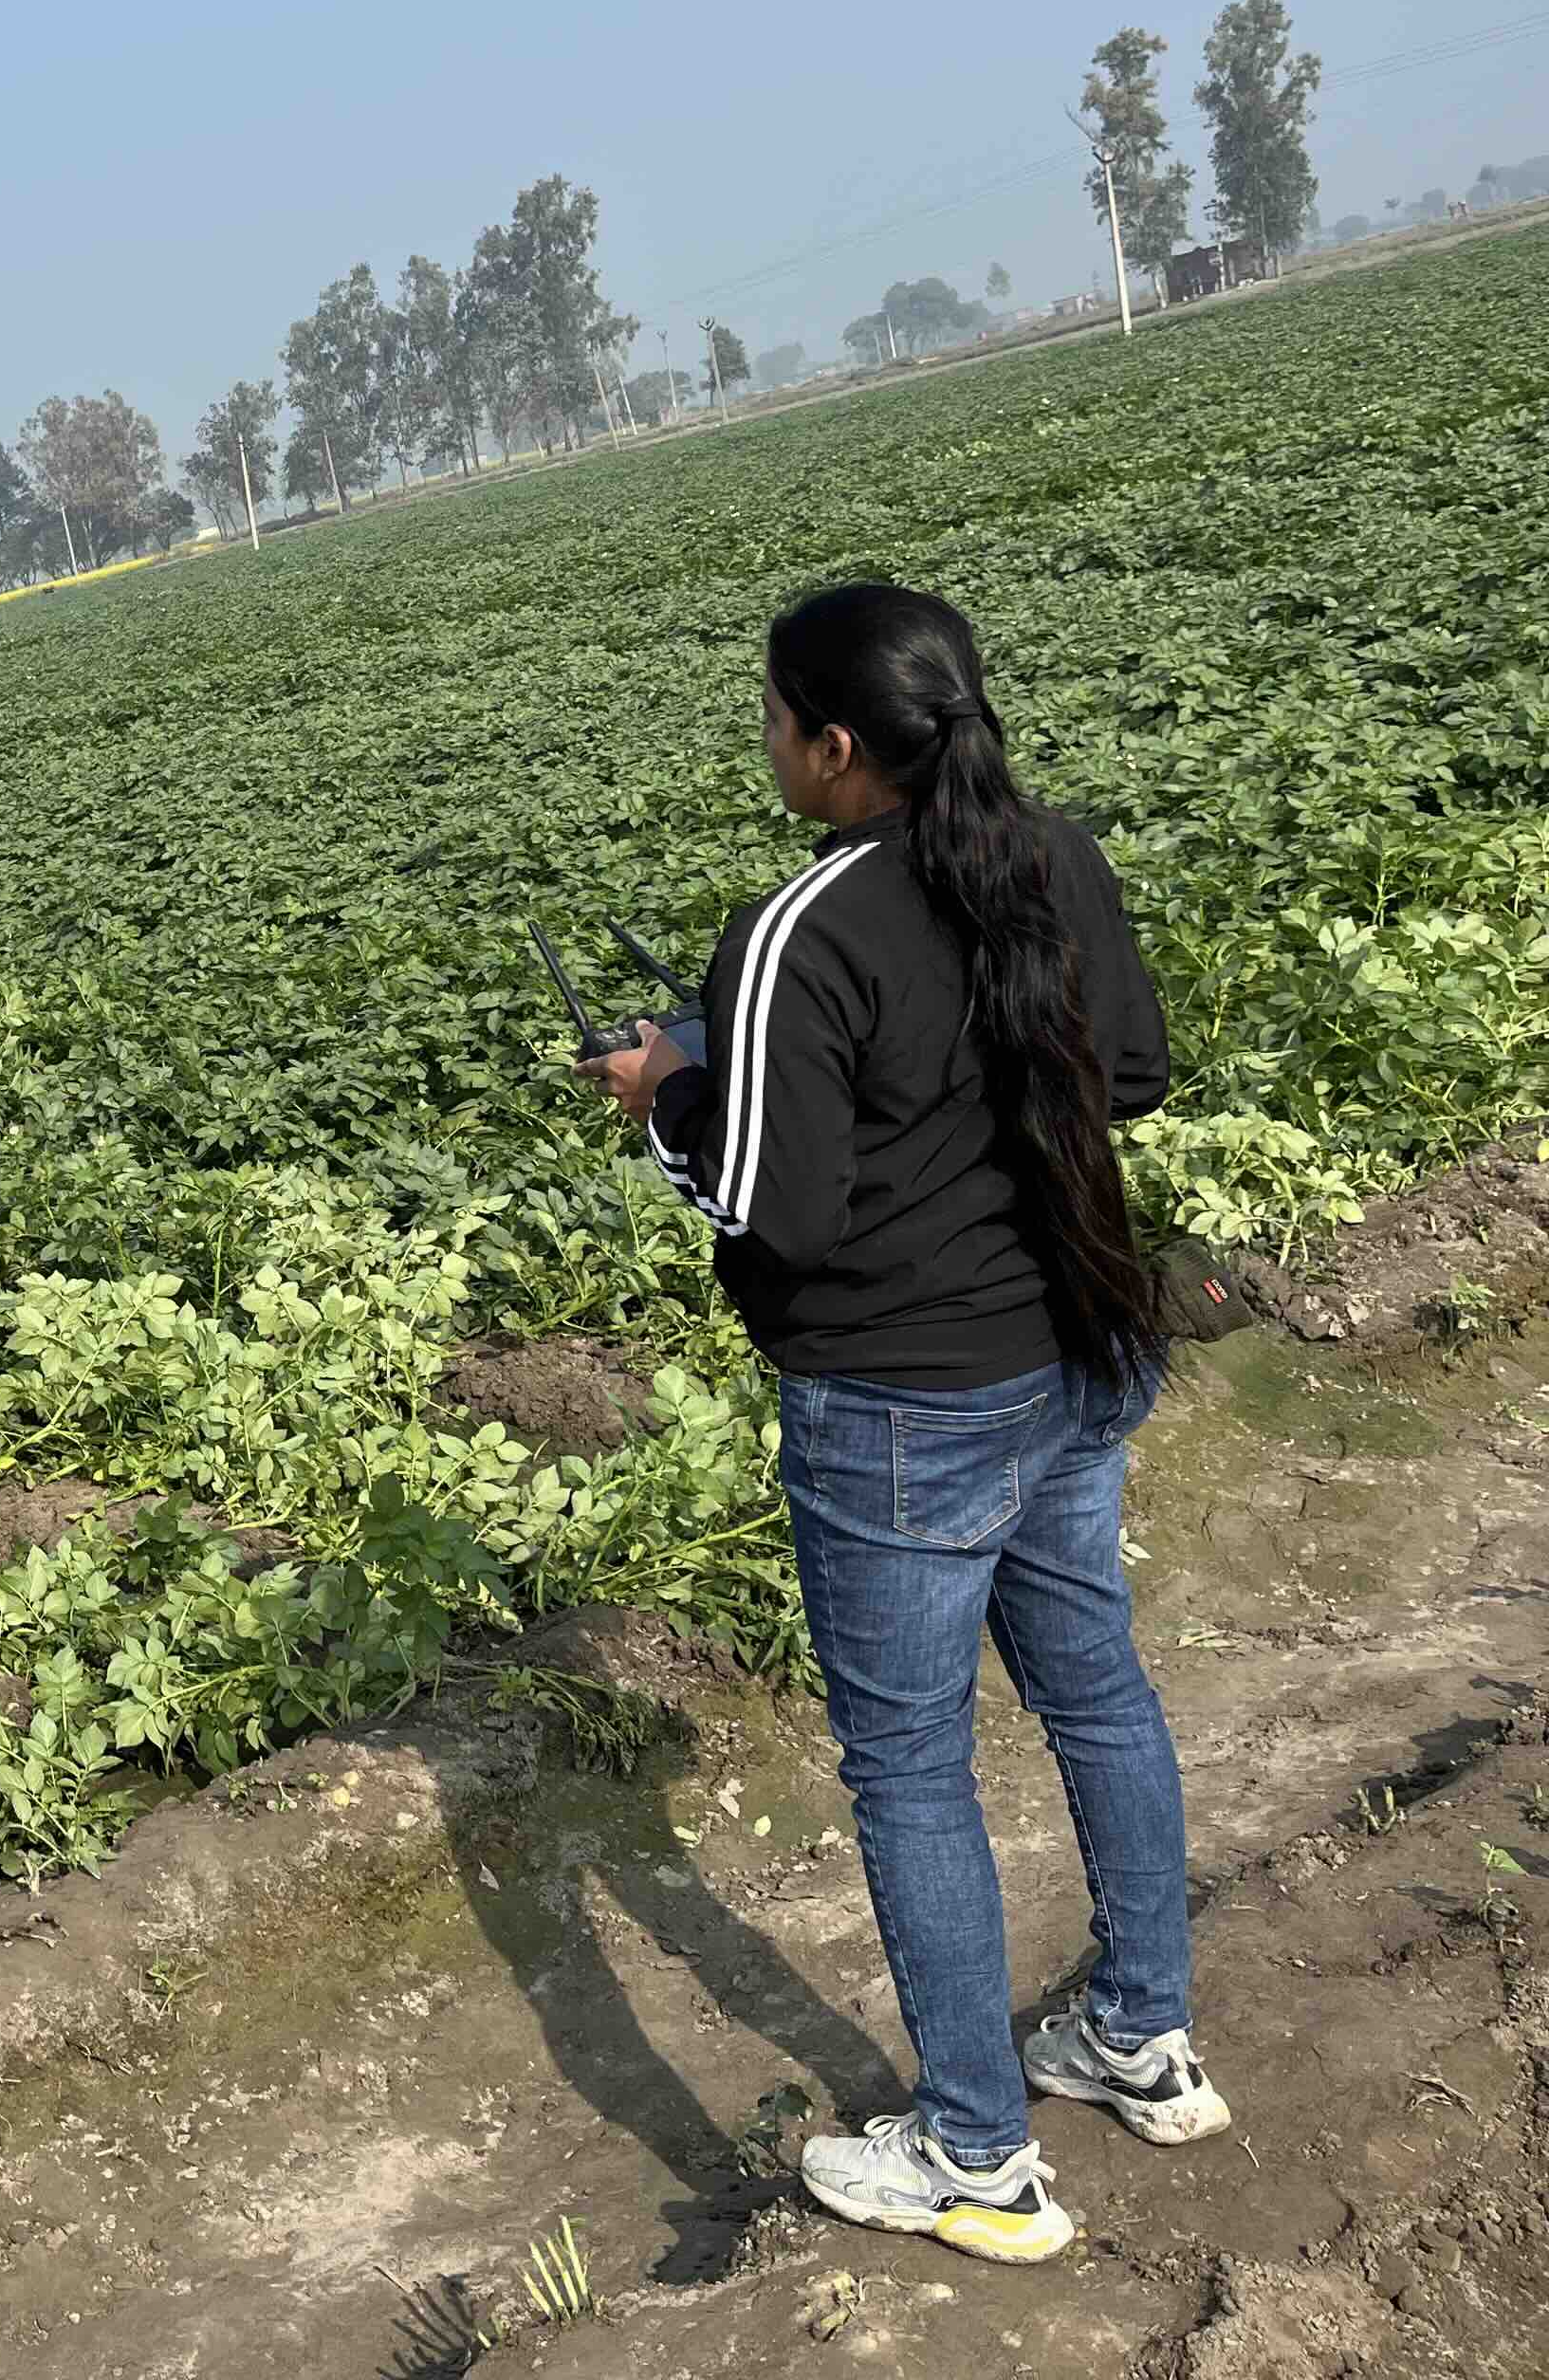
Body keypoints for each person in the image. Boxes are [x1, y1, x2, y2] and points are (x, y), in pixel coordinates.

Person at [571, 579, 1228, 2267]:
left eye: (779, 720)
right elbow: (1125, 1072)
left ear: (836, 744)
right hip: (1076, 1350)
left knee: (914, 1769)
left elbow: (768, 1207)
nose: (774, 746)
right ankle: (1142, 2037)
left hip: (897, 1415)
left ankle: (977, 2156)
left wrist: (668, 1093)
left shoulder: (799, 928)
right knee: (1095, 1689)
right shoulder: (1051, 855)